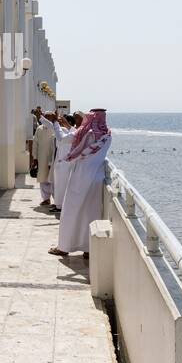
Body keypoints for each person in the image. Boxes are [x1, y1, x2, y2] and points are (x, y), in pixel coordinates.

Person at [50, 109, 111, 258]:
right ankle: (88, 248)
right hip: (97, 177)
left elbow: (62, 138)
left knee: (70, 211)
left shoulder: (85, 132)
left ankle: (64, 247)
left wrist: (55, 123)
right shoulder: (107, 135)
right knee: (90, 213)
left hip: (79, 177)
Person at [52, 112, 82, 211]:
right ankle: (59, 205)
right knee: (59, 185)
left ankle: (61, 206)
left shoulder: (76, 132)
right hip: (63, 163)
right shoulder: (74, 132)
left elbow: (62, 138)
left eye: (77, 118)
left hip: (68, 165)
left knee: (63, 186)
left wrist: (55, 122)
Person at [31, 107, 56, 206]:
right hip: (41, 159)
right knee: (43, 179)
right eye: (46, 117)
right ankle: (46, 199)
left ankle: (56, 200)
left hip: (53, 158)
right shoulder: (39, 129)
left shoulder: (54, 128)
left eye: (49, 117)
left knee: (53, 179)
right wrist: (35, 158)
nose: (47, 119)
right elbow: (35, 144)